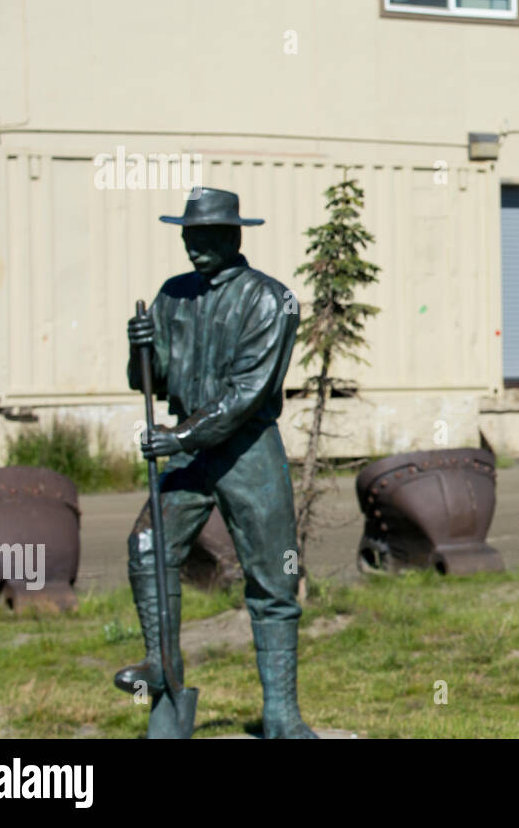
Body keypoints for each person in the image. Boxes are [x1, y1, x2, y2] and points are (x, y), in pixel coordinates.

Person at [117, 187, 316, 738]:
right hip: (188, 449)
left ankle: (281, 713)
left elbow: (248, 393)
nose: (194, 247)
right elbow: (146, 381)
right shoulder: (171, 295)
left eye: (205, 237)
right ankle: (164, 669)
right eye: (188, 236)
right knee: (147, 546)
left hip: (246, 450)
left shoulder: (270, 300)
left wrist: (179, 438)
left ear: (234, 236)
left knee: (272, 580)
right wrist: (140, 350)